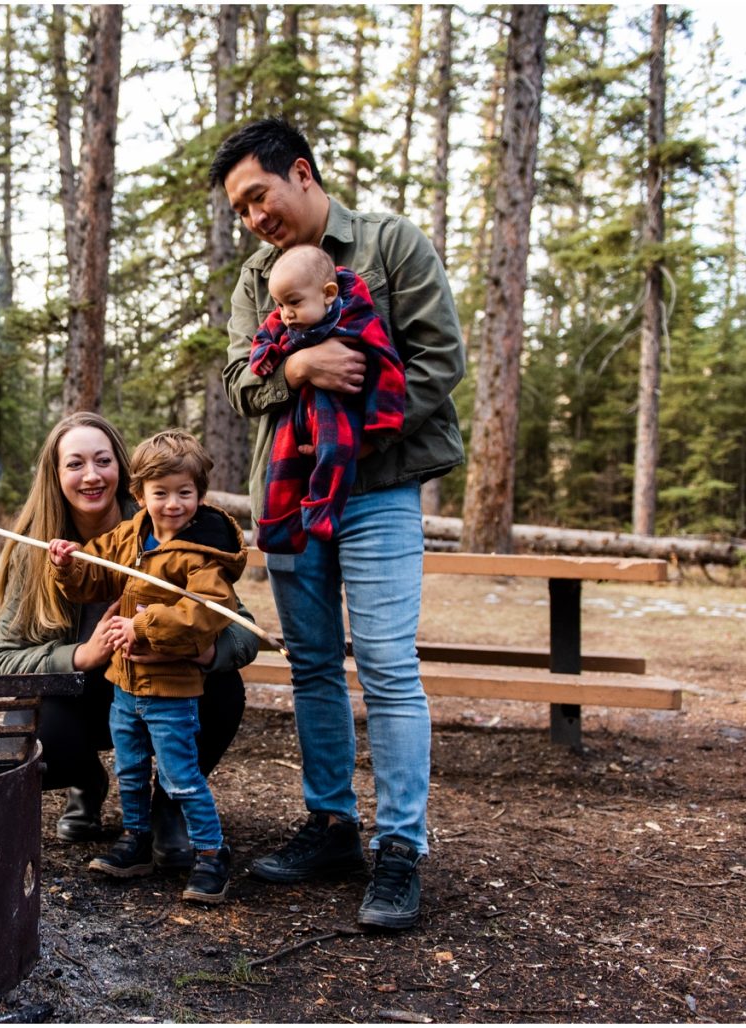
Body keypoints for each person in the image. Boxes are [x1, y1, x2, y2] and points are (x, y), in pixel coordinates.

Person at [212, 117, 467, 930]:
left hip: (379, 490)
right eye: (241, 210)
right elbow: (237, 380)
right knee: (314, 665)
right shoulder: (256, 279)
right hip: (288, 496)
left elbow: (439, 359)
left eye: (259, 196)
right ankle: (331, 825)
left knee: (389, 666)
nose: (254, 218)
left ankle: (401, 848)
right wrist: (293, 366)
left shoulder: (390, 245)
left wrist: (355, 430)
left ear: (303, 174)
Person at [0, 412, 258, 870]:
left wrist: (204, 649)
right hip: (84, 694)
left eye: (102, 460)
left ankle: (168, 806)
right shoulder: (38, 552)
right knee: (36, 735)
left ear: (123, 472)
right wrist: (82, 654)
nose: (91, 475)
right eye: (75, 464)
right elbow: (3, 660)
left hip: (160, 684)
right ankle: (86, 780)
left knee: (224, 691)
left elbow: (242, 630)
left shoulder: (169, 524)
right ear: (56, 476)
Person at [47, 429, 247, 904]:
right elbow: (96, 572)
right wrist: (69, 565)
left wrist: (143, 625)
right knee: (132, 768)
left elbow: (206, 613)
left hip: (172, 690)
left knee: (180, 776)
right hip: (124, 687)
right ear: (139, 495)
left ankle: (211, 853)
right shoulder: (132, 534)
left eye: (185, 493)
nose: (173, 504)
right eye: (160, 494)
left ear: (200, 494)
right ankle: (135, 839)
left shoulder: (204, 555)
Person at [249, 243, 406, 554]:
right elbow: (263, 337)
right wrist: (265, 356)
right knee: (282, 471)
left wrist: (382, 423)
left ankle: (322, 510)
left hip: (338, 410)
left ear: (329, 293)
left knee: (334, 452)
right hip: (293, 417)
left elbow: (388, 365)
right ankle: (279, 531)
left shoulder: (356, 318)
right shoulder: (283, 318)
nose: (286, 314)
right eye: (280, 304)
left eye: (293, 303)